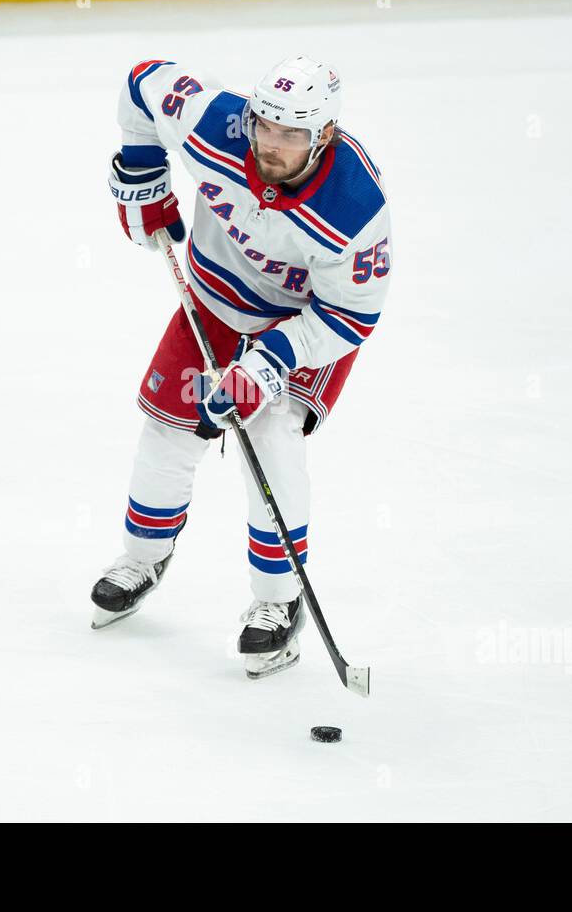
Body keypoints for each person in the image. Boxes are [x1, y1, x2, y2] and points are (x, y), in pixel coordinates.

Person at [94, 55, 392, 679]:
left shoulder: (356, 209)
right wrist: (142, 174)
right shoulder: (215, 123)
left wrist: (268, 366)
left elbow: (351, 317)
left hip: (301, 332)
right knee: (167, 429)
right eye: (264, 126)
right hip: (213, 306)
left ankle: (279, 606)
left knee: (272, 439)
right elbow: (142, 80)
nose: (270, 144)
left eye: (291, 134)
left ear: (325, 136)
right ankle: (143, 557)